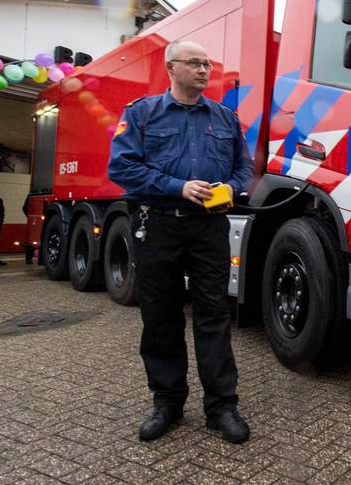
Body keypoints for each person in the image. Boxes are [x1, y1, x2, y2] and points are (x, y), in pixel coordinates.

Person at [108, 39, 254, 444]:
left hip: (209, 229)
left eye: (208, 64)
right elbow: (121, 167)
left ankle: (221, 407)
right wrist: (177, 187)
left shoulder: (225, 118)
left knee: (213, 316)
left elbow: (245, 169)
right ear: (171, 67)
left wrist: (231, 187)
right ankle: (167, 403)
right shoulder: (142, 114)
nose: (205, 70)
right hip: (158, 226)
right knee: (161, 317)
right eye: (195, 63)